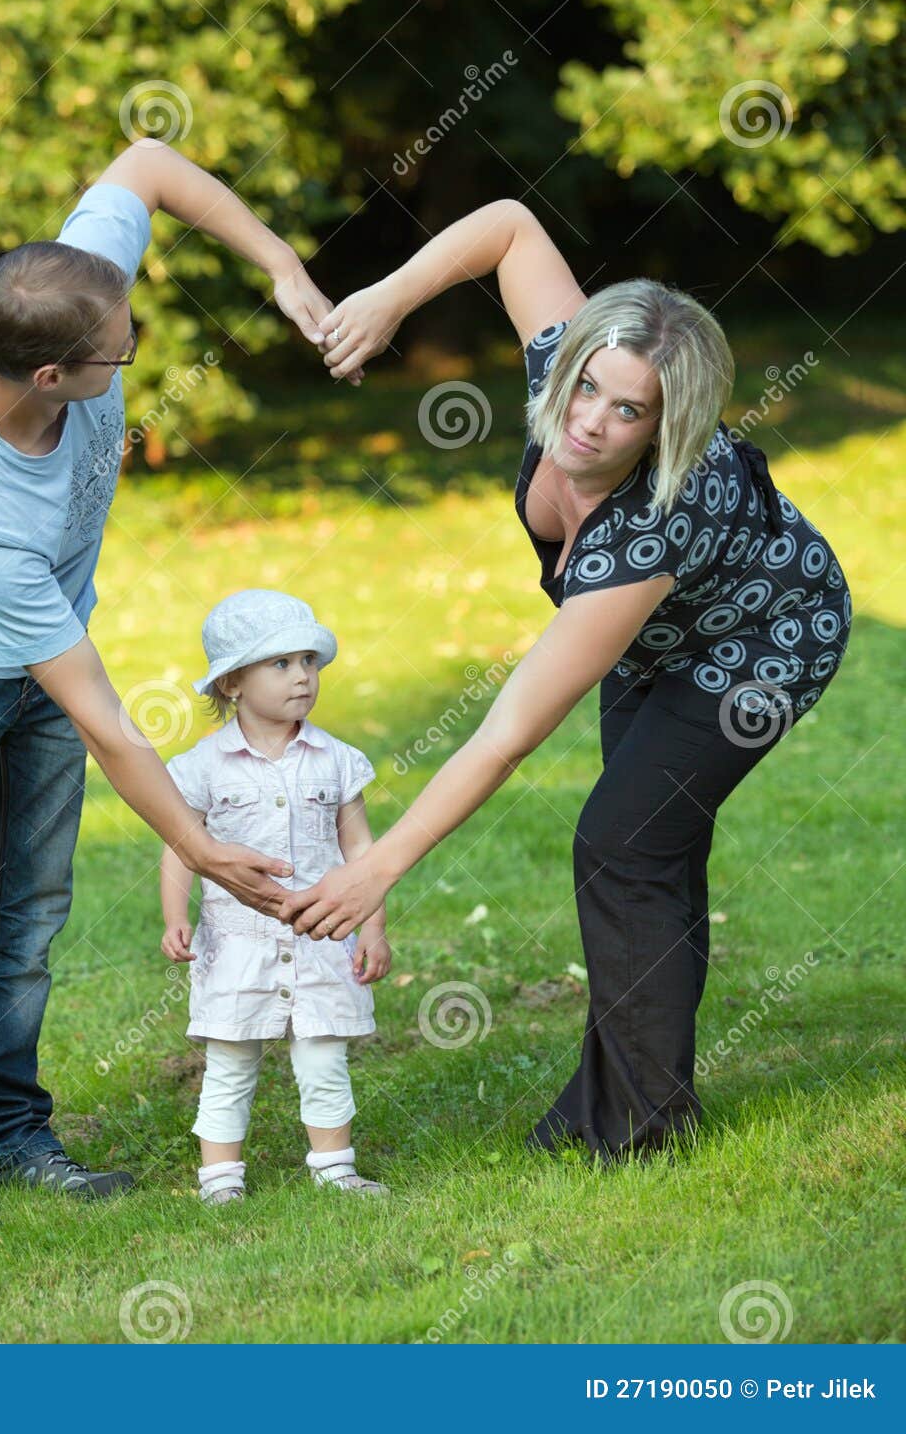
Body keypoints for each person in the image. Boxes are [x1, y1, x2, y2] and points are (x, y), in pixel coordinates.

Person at [283, 199, 851, 1162]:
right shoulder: (572, 361)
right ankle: (639, 1104)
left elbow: (506, 734)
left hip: (766, 641)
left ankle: (639, 1127)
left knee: (625, 843)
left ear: (667, 425)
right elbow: (509, 225)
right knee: (650, 849)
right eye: (589, 387)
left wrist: (381, 864)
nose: (588, 422)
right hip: (660, 633)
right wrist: (387, 299)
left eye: (629, 411)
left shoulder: (649, 525)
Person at [0, 140, 339, 1241]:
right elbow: (108, 725)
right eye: (122, 351)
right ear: (49, 376)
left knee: (24, 911)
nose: (134, 351)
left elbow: (149, 162)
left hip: (40, 641)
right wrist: (201, 848)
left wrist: (280, 265)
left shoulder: (57, 295)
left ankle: (6, 1131)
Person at [159, 590, 391, 1204]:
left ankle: (334, 1168)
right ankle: (220, 1180)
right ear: (232, 683)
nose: (302, 677)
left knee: (324, 1059)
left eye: (309, 661)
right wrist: (174, 916)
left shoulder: (337, 761)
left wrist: (372, 929)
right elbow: (180, 846)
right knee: (230, 1063)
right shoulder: (204, 766)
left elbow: (362, 852)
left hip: (322, 943)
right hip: (236, 947)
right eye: (281, 664)